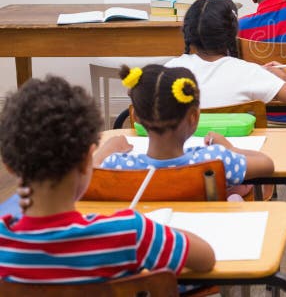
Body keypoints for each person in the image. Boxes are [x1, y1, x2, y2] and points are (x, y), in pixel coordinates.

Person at [0, 76, 215, 283]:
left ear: (9, 165)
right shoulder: (130, 232)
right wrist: (155, 229)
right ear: (87, 159)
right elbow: (206, 258)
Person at [95, 64, 274, 201]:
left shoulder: (115, 165)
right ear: (194, 117)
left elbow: (87, 175)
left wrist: (105, 150)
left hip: (148, 244)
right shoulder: (216, 160)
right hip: (205, 240)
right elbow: (267, 164)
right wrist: (230, 148)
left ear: (135, 117)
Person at [165, 0, 286, 115]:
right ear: (232, 32)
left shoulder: (169, 70)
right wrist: (284, 76)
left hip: (184, 154)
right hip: (237, 154)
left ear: (187, 31)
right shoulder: (250, 73)